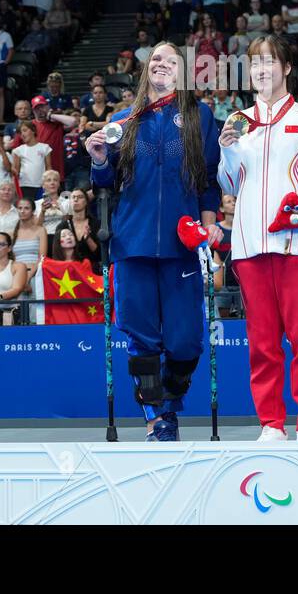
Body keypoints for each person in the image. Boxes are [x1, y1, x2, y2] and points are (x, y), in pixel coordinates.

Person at [86, 41, 222, 442]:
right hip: (133, 242)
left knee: (186, 342)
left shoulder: (199, 115)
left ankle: (170, 401)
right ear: (146, 69)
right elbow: (105, 184)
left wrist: (208, 228)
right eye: (155, 59)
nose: (161, 64)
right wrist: (98, 159)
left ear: (183, 72)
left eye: (170, 60)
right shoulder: (122, 121)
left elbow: (208, 179)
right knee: (141, 337)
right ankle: (157, 419)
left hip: (182, 243)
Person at [217, 34, 298, 442]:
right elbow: (229, 183)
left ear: (286, 68)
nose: (261, 69)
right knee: (262, 342)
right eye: (255, 63)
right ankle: (271, 423)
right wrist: (228, 150)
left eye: (269, 61)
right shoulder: (238, 121)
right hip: (250, 245)